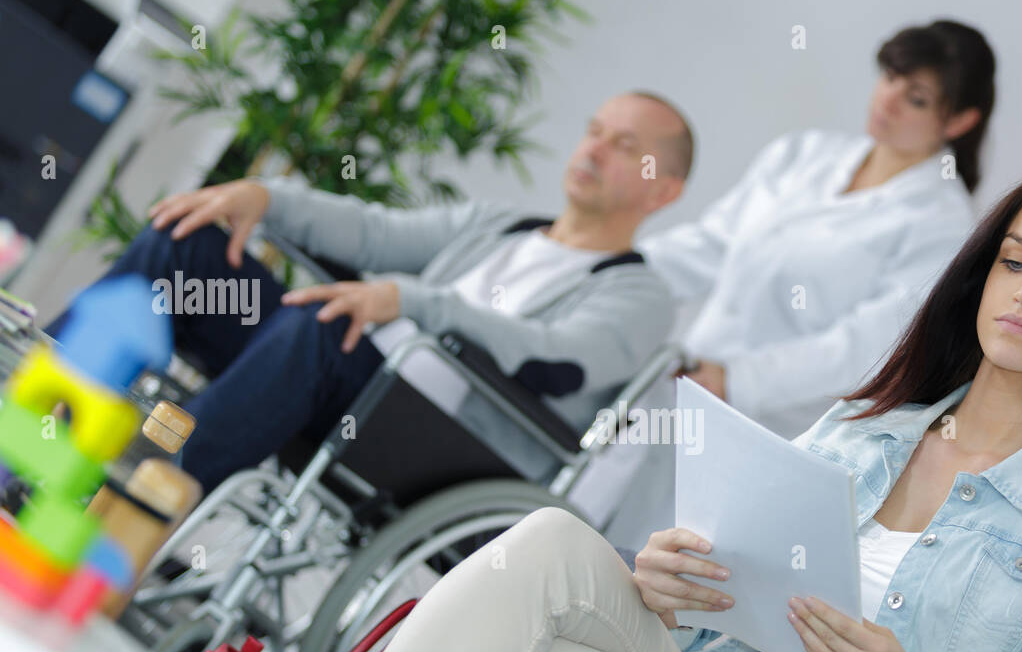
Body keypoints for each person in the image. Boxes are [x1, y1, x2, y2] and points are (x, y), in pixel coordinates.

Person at [123, 165, 1022, 652]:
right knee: (556, 545)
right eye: (1014, 260)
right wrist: (671, 585)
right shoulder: (862, 428)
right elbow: (729, 620)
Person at [44, 91, 693, 493]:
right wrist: (263, 197)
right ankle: (36, 440)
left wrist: (413, 301)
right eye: (596, 129)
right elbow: (373, 232)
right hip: (339, 368)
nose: (596, 148)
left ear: (664, 191)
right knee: (186, 244)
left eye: (625, 145)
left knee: (325, 326)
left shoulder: (642, 296)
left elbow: (555, 361)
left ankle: (135, 500)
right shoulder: (500, 226)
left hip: (430, 449)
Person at [602, 19, 995, 551]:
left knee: (651, 570)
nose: (891, 101)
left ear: (961, 120)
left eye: (919, 99)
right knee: (584, 527)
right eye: (891, 78)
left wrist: (739, 379)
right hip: (679, 381)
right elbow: (711, 244)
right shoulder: (804, 154)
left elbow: (863, 349)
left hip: (764, 426)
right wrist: (611, 267)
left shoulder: (942, 226)